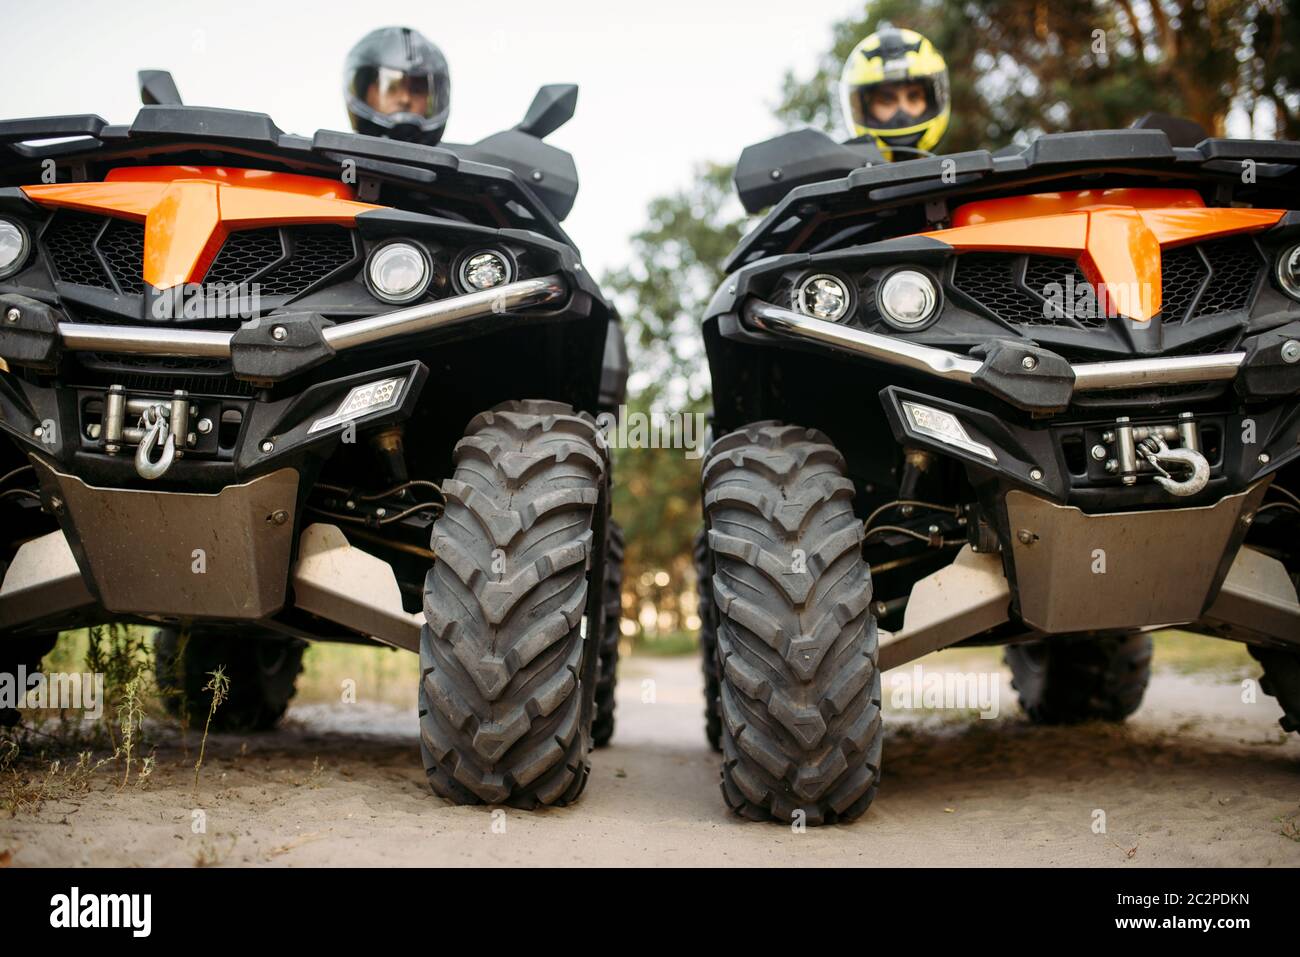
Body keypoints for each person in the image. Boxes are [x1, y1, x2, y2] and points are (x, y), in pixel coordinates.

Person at [839, 26, 950, 160]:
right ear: (864, 109)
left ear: (932, 100)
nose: (903, 113)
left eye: (914, 97)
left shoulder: (961, 174)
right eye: (887, 100)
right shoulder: (837, 177)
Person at [344, 26, 451, 145]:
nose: (405, 99)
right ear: (363, 93)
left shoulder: (466, 162)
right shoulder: (330, 161)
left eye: (417, 90)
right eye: (391, 88)